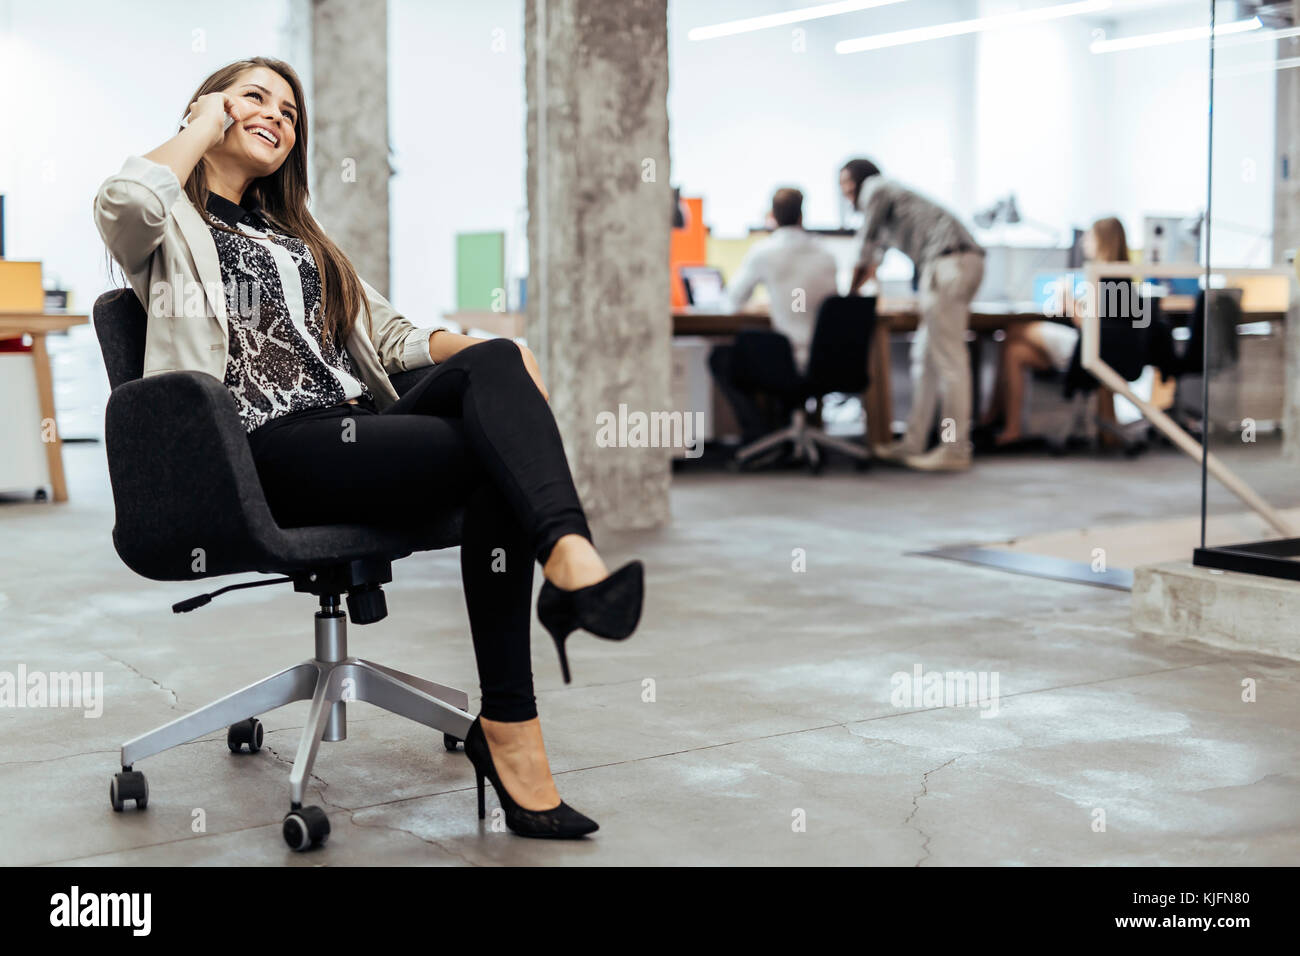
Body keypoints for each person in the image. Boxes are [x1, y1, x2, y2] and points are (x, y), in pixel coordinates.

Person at [93, 57, 645, 840]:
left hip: (349, 426)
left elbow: (388, 335)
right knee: (495, 466)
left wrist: (476, 347)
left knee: (491, 360)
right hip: (262, 449)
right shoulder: (166, 224)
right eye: (256, 98)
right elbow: (124, 200)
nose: (278, 117)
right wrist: (198, 130)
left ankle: (560, 583)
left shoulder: (300, 236)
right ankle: (520, 711)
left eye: (289, 111)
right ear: (207, 108)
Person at [841, 158, 985, 471]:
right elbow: (875, 255)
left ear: (861, 179)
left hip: (948, 263)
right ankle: (913, 442)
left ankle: (955, 448)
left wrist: (848, 296)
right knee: (926, 358)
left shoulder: (876, 188)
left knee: (949, 361)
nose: (845, 193)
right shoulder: (895, 199)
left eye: (847, 184)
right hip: (954, 263)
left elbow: (865, 245)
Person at [980, 217, 1130, 447]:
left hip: (1088, 352)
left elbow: (1088, 326)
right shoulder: (1124, 278)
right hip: (1102, 352)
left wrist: (1069, 302)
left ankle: (996, 418)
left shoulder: (1101, 276)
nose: (1085, 243)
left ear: (1102, 241)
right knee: (1014, 351)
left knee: (1015, 329)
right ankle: (1008, 426)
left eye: (1090, 237)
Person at [708, 187, 838, 448]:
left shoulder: (764, 251)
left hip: (787, 361)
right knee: (769, 350)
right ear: (802, 216)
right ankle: (788, 430)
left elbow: (732, 302)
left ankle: (759, 434)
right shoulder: (826, 254)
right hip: (829, 359)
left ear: (772, 217)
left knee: (721, 357)